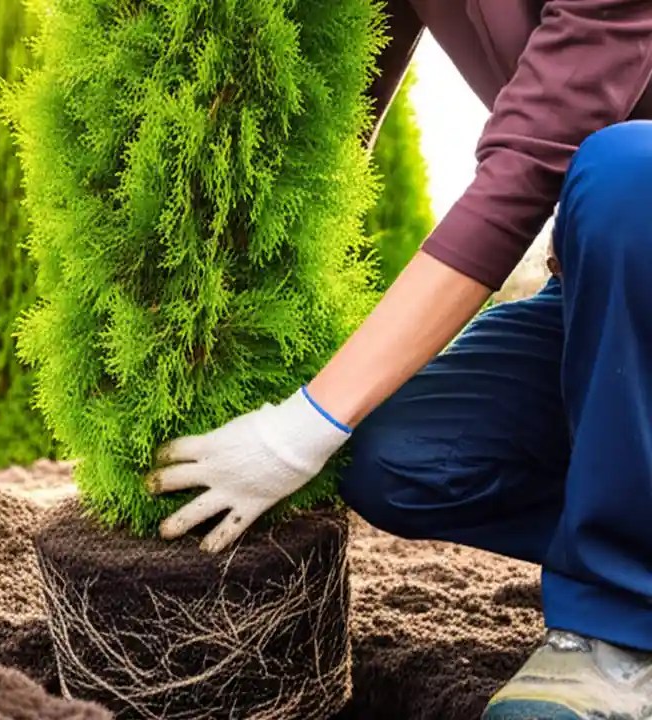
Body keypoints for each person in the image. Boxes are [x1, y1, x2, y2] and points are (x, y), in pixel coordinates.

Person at [146, 1, 652, 717]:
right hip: (612, 298)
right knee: (397, 459)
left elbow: (528, 168)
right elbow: (322, 136)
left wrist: (300, 429)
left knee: (629, 170)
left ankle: (619, 634)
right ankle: (627, 531)